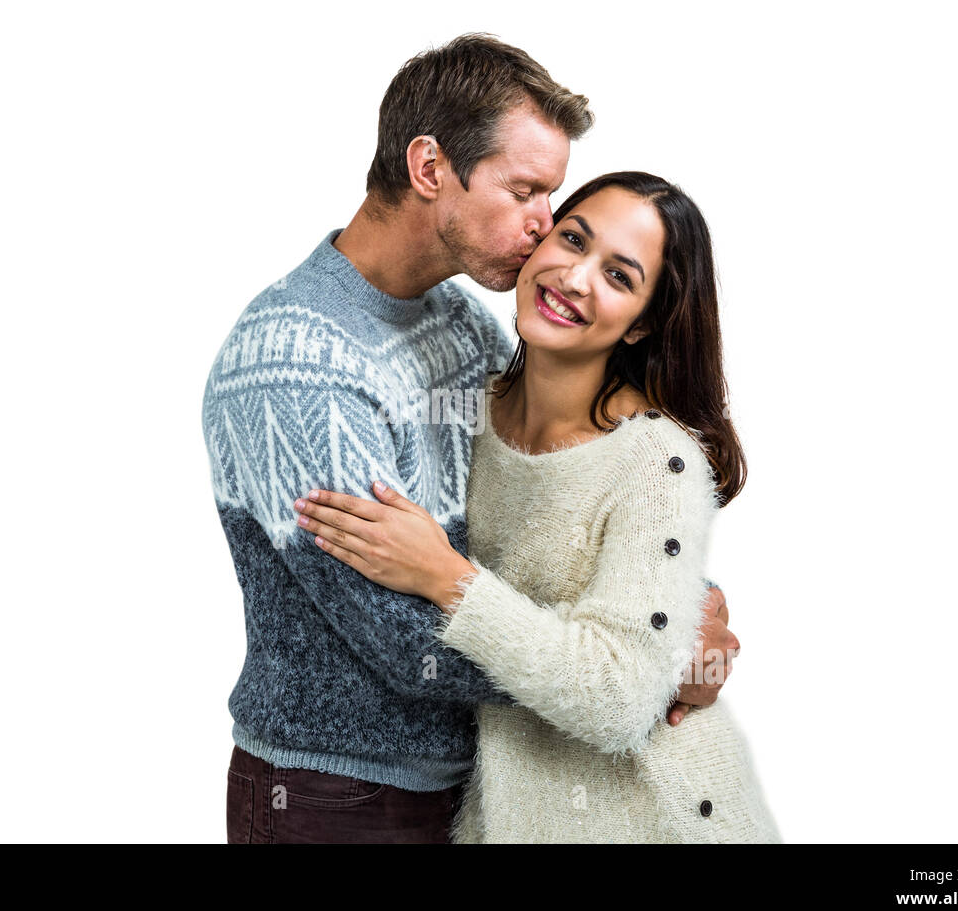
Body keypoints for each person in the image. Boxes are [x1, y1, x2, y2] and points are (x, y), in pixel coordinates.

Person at [203, 35, 736, 844]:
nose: (544, 225)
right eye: (526, 191)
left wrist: (665, 609)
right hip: (335, 801)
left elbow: (530, 530)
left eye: (551, 197)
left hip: (476, 793)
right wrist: (641, 663)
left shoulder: (455, 324)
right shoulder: (296, 362)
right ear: (429, 169)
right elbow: (401, 639)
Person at [295, 171, 780, 842]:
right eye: (572, 239)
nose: (576, 278)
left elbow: (617, 699)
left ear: (641, 325)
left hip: (657, 819)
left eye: (619, 276)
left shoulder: (656, 461)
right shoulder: (465, 406)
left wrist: (446, 579)